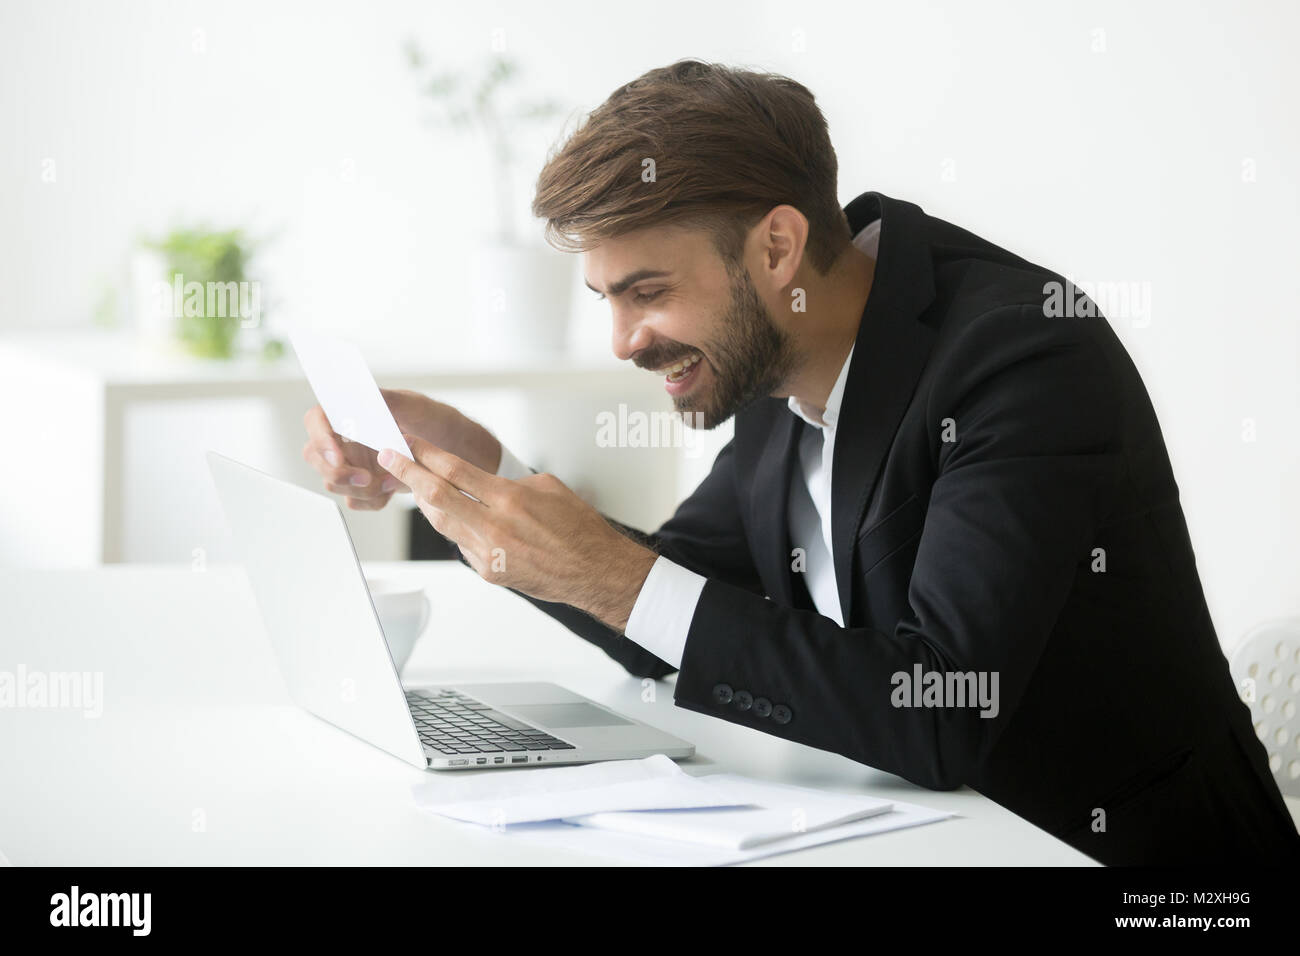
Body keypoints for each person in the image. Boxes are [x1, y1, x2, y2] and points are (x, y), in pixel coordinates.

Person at [302, 60, 1300, 865]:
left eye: (645, 289)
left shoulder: (1023, 357)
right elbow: (670, 609)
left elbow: (947, 701)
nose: (620, 339)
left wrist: (614, 575)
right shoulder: (781, 356)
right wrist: (476, 467)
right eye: (605, 296)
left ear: (776, 247)